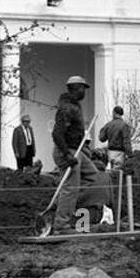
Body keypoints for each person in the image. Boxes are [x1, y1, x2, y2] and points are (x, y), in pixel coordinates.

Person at [50, 75, 110, 232]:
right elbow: (57, 134)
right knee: (70, 188)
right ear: (76, 88)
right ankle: (61, 224)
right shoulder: (67, 108)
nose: (84, 91)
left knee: (92, 176)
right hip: (67, 151)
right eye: (83, 88)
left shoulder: (74, 105)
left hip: (78, 151)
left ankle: (62, 201)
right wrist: (67, 155)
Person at [98, 106, 132, 170]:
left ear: (114, 113)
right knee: (118, 174)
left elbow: (101, 138)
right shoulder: (124, 125)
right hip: (120, 153)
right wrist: (130, 155)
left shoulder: (108, 124)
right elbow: (126, 142)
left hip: (110, 152)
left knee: (111, 171)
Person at [12, 114, 41, 178]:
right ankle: (20, 177)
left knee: (29, 164)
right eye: (26, 122)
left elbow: (32, 139)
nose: (28, 123)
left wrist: (34, 149)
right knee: (21, 165)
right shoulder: (17, 129)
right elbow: (14, 142)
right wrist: (16, 152)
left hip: (29, 148)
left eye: (29, 122)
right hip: (21, 150)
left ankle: (29, 177)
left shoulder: (30, 129)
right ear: (23, 122)